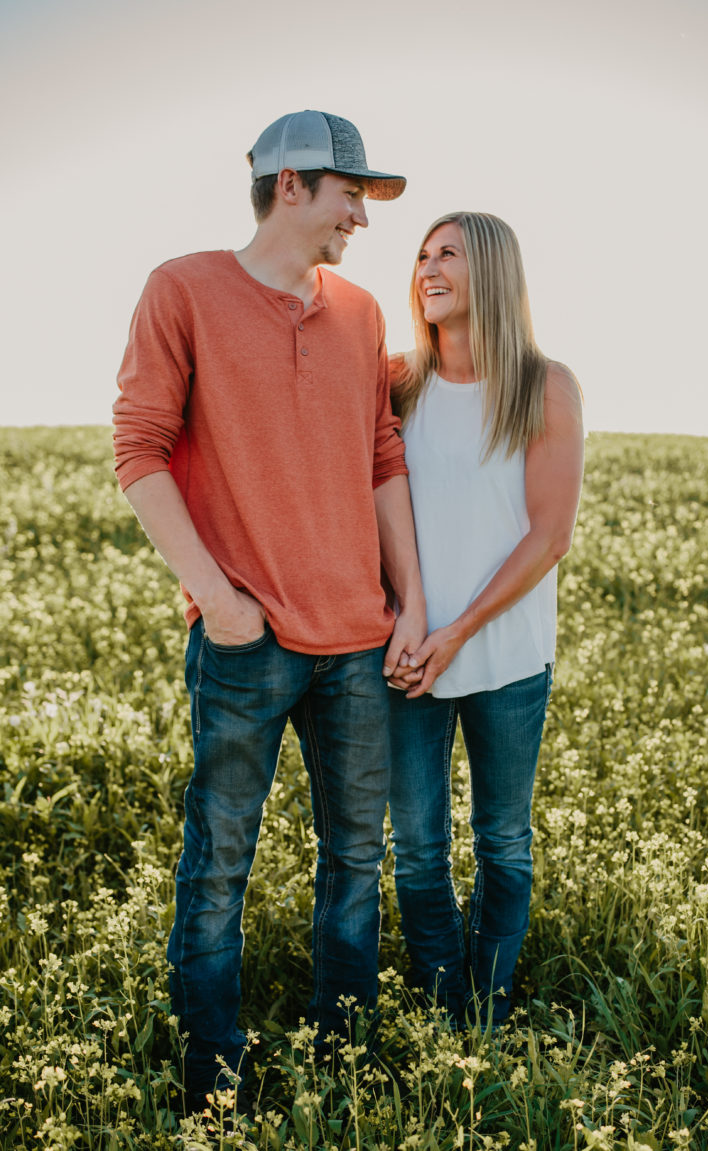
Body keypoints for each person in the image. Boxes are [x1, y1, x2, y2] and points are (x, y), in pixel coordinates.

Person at [112, 110, 426, 1108]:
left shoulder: (363, 311)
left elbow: (383, 458)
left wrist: (410, 600)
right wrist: (219, 598)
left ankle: (345, 1062)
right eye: (352, 196)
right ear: (292, 183)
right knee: (219, 866)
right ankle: (213, 1081)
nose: (362, 220)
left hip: (359, 640)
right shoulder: (184, 288)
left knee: (356, 861)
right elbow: (140, 451)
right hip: (246, 643)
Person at [386, 211, 584, 1027]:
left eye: (448, 255)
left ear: (493, 273)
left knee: (504, 841)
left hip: (505, 656)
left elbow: (550, 534)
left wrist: (456, 630)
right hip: (406, 655)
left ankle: (490, 1009)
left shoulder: (545, 385)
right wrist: (406, 622)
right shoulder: (396, 381)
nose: (428, 268)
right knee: (419, 854)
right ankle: (445, 1010)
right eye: (422, 255)